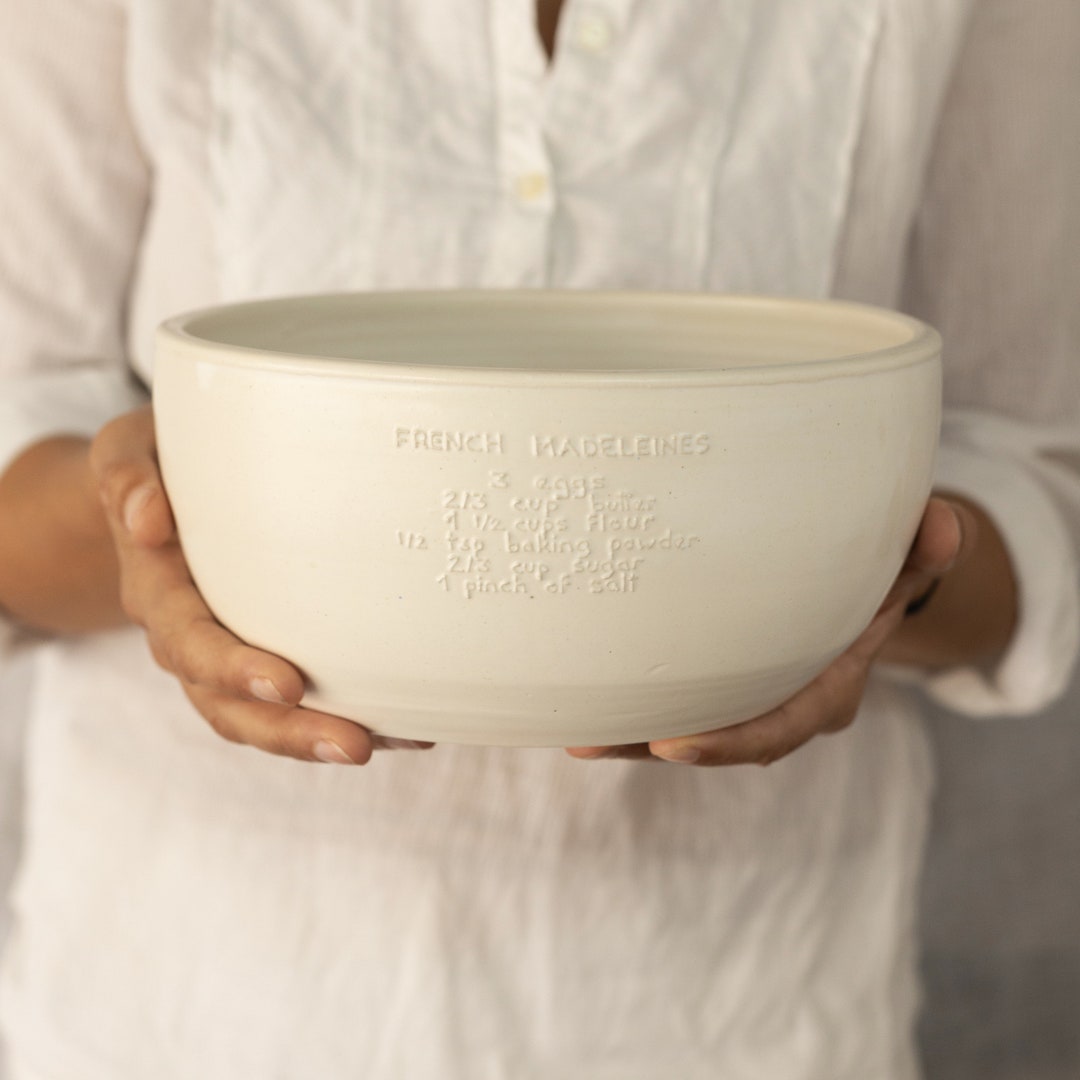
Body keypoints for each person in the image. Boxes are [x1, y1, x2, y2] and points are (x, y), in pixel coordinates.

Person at [0, 0, 1077, 1076]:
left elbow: (1040, 486)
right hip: (184, 1001)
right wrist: (154, 538)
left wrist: (883, 580)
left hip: (741, 1008)